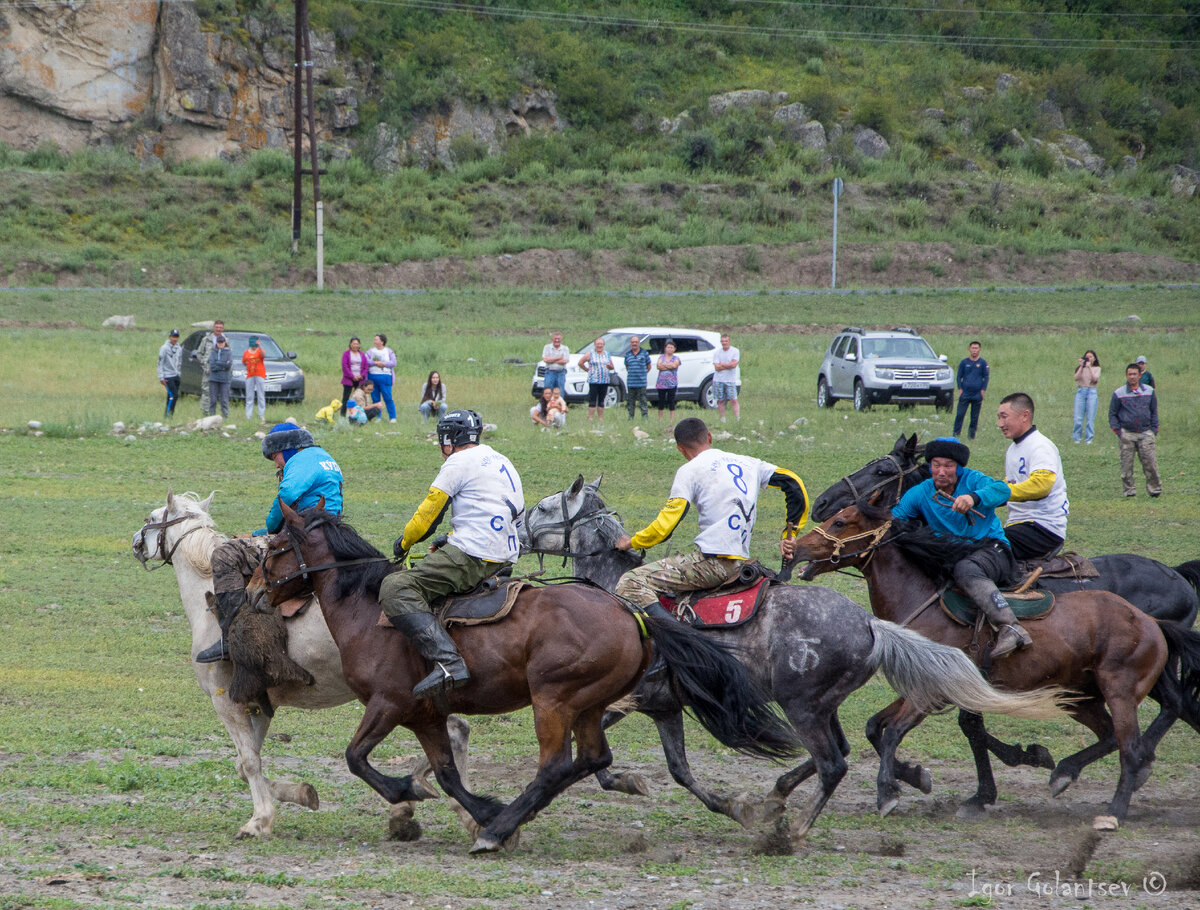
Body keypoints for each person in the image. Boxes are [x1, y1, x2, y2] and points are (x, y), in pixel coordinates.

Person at [382, 409, 524, 698]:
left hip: (473, 556)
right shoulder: (500, 459)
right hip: (505, 553)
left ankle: (448, 661)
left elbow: (428, 515)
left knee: (395, 586)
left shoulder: (457, 461)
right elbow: (509, 514)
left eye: (441, 440)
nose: (440, 447)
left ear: (450, 440)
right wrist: (449, 538)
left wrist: (405, 542)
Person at [615, 417, 808, 619]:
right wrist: (790, 534)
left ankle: (680, 638)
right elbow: (794, 484)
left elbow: (666, 525)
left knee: (631, 582)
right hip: (742, 561)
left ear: (680, 449)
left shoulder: (689, 470)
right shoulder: (751, 463)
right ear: (709, 437)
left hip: (713, 565)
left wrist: (632, 542)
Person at [195, 423, 344, 663]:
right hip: (331, 532)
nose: (276, 464)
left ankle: (231, 639)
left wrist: (271, 527)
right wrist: (260, 532)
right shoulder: (324, 457)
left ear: (288, 448)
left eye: (275, 456)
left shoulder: (301, 460)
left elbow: (287, 494)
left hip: (303, 538)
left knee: (225, 556)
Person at [891, 437, 1029, 659]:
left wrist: (974, 498)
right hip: (952, 555)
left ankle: (1011, 627)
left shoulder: (973, 480)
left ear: (959, 467)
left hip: (992, 549)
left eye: (948, 466)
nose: (941, 471)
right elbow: (895, 518)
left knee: (965, 570)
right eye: (936, 465)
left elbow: (1002, 489)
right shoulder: (921, 492)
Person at [997, 393, 1068, 561]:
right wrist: (980, 498)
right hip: (1019, 525)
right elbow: (1010, 485)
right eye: (998, 418)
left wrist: (999, 492)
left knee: (988, 547)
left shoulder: (1040, 446)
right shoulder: (1013, 450)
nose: (1000, 424)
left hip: (1043, 528)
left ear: (1024, 415)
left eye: (1004, 417)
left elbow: (1041, 485)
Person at [1109, 363, 1161, 498]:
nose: (1132, 377)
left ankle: (1155, 489)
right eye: (1129, 374)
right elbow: (1112, 414)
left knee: (1150, 463)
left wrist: (1154, 429)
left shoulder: (1149, 391)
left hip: (1146, 433)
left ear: (1139, 375)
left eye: (1134, 374)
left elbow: (1154, 411)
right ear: (1126, 375)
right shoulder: (1119, 393)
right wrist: (1119, 432)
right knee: (1126, 465)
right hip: (1127, 433)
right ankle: (1129, 490)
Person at [953, 341, 989, 440]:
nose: (974, 350)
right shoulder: (964, 362)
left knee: (974, 417)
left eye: (976, 348)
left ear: (979, 350)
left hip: (977, 394)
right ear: (969, 349)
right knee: (960, 415)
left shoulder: (983, 363)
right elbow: (958, 377)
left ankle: (971, 436)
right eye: (973, 348)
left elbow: (986, 377)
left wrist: (983, 390)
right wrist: (960, 389)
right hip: (965, 393)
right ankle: (956, 434)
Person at [192, 319, 225, 416]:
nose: (218, 329)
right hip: (208, 370)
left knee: (220, 392)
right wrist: (204, 364)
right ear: (213, 328)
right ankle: (205, 412)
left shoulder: (225, 340)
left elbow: (229, 353)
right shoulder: (206, 339)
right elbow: (199, 353)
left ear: (223, 329)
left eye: (220, 327)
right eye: (217, 327)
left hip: (221, 371)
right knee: (206, 391)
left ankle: (217, 413)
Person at [578, 337, 614, 421]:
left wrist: (610, 367)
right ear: (594, 345)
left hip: (604, 380)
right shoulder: (590, 354)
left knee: (602, 400)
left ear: (604, 345)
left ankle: (600, 418)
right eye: (598, 344)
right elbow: (580, 363)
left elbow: (612, 366)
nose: (599, 345)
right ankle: (590, 417)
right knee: (592, 399)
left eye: (601, 344)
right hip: (594, 380)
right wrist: (587, 370)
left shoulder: (607, 354)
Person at [1072, 350, 1101, 444]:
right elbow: (1076, 378)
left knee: (1090, 417)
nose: (1088, 359)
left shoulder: (1097, 368)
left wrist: (1089, 367)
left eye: (1091, 357)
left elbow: (1095, 379)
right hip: (1081, 391)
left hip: (1092, 391)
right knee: (1078, 417)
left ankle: (1089, 438)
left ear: (1094, 359)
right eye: (1087, 357)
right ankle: (1077, 437)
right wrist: (1081, 366)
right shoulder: (1081, 368)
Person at [367, 333, 398, 423]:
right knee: (375, 398)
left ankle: (392, 417)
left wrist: (384, 364)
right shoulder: (370, 351)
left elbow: (393, 362)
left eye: (376, 339)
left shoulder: (388, 351)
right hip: (372, 376)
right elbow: (365, 360)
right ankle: (378, 416)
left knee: (388, 397)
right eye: (374, 339)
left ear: (382, 341)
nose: (375, 341)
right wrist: (375, 363)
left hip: (385, 377)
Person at [713, 334, 740, 422]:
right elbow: (717, 367)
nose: (724, 343)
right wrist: (728, 365)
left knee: (733, 399)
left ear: (729, 341)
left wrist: (723, 364)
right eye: (722, 341)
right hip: (718, 379)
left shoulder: (735, 351)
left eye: (726, 341)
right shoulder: (717, 353)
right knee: (720, 400)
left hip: (730, 380)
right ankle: (723, 418)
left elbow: (734, 365)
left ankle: (737, 418)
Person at [624, 335, 651, 421]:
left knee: (643, 400)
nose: (634, 344)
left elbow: (648, 366)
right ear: (630, 344)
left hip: (641, 382)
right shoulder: (628, 354)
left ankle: (645, 417)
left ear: (639, 343)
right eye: (632, 342)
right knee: (631, 401)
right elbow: (627, 367)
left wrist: (642, 374)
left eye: (636, 342)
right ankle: (630, 417)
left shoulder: (644, 353)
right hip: (631, 382)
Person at [341, 337, 370, 416]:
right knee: (346, 398)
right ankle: (343, 416)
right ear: (350, 344)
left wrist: (361, 376)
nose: (355, 345)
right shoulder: (346, 353)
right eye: (354, 343)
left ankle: (358, 415)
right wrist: (352, 376)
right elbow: (345, 366)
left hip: (360, 379)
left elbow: (366, 367)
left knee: (359, 397)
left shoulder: (362, 354)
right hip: (349, 379)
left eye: (357, 344)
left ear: (359, 345)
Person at [207, 333, 233, 418]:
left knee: (224, 400)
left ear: (225, 342)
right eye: (219, 342)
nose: (220, 344)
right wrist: (223, 365)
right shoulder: (213, 352)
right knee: (213, 400)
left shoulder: (228, 352)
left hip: (225, 379)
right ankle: (211, 416)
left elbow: (229, 365)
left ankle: (225, 417)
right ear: (216, 343)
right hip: (213, 379)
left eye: (222, 342)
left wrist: (219, 364)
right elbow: (212, 365)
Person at [157, 329, 182, 418]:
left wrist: (179, 373)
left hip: (176, 375)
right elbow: (160, 363)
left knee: (171, 396)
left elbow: (179, 362)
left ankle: (170, 415)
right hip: (167, 376)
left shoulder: (179, 348)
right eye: (173, 337)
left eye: (176, 337)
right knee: (173, 396)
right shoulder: (164, 348)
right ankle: (168, 416)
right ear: (169, 337)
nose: (175, 339)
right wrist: (161, 377)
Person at [242, 335, 267, 421]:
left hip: (260, 374)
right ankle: (248, 416)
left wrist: (259, 346)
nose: (253, 345)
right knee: (249, 396)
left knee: (261, 395)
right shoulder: (246, 352)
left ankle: (261, 415)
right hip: (250, 375)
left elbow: (264, 356)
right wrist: (248, 366)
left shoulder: (260, 351)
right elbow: (244, 361)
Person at [656, 339, 681, 422]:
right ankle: (660, 419)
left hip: (672, 383)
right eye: (668, 347)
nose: (669, 349)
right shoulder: (661, 357)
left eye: (671, 347)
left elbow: (674, 365)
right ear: (665, 348)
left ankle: (671, 419)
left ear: (674, 349)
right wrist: (669, 365)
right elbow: (658, 366)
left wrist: (664, 365)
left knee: (671, 400)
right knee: (661, 401)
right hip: (661, 383)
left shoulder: (676, 358)